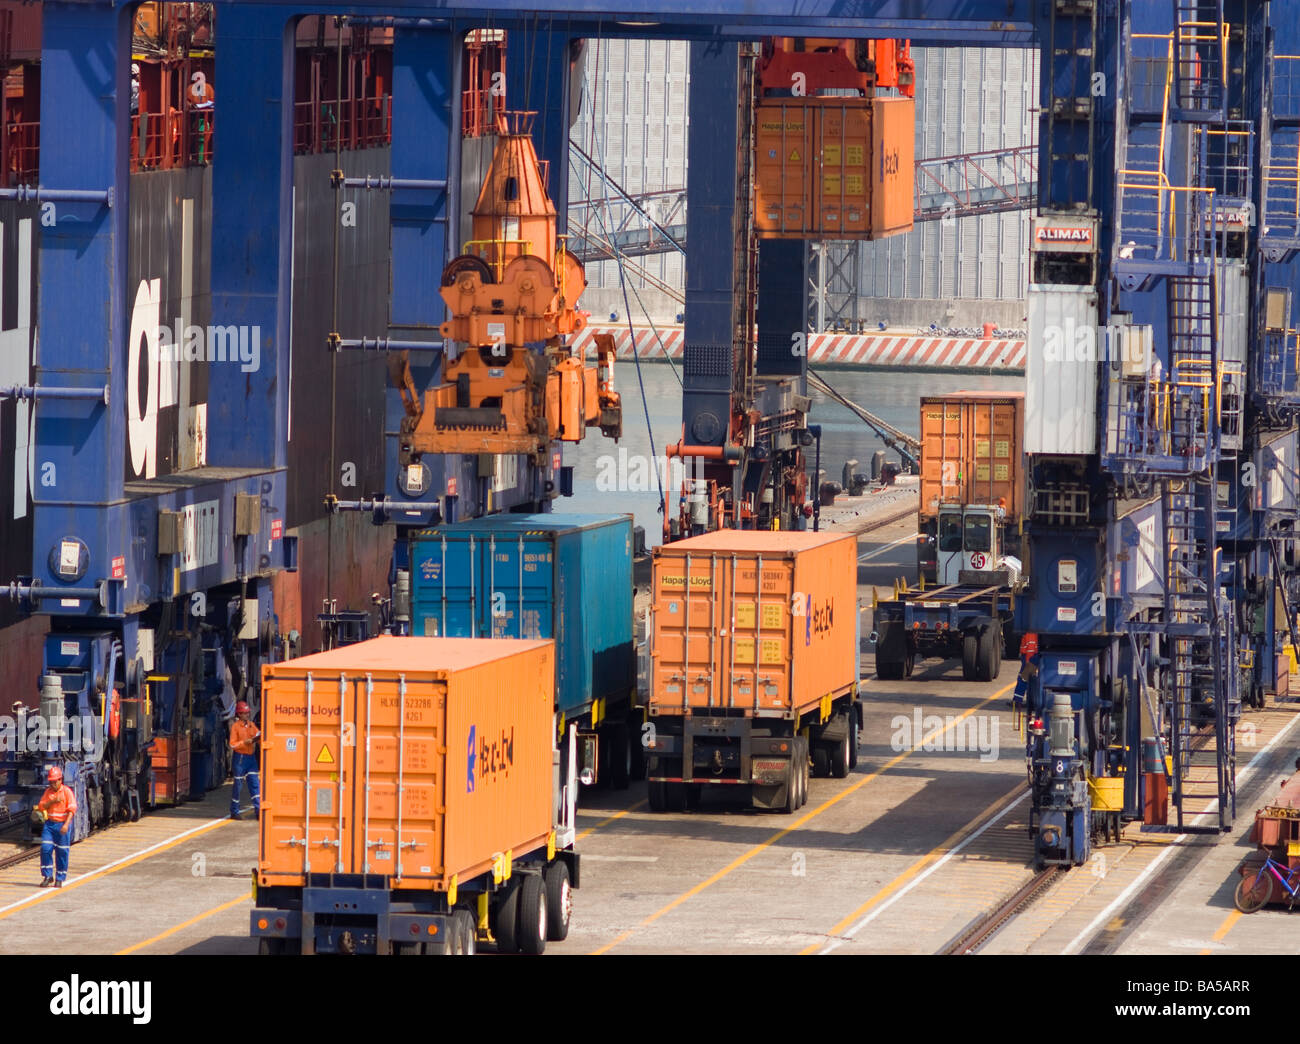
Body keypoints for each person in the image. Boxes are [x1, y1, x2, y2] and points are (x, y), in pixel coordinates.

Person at [35, 765, 76, 888]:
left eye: (54, 781)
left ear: (60, 780)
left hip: (62, 825)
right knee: (46, 848)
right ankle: (47, 876)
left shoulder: (67, 792)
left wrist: (66, 825)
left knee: (62, 852)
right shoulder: (48, 792)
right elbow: (41, 806)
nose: (52, 784)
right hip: (50, 825)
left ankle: (60, 877)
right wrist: (53, 801)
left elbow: (72, 809)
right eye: (51, 782)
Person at [229, 701, 260, 821]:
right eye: (244, 713)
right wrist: (244, 743)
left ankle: (258, 811)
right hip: (240, 759)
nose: (247, 715)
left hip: (251, 759)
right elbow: (232, 745)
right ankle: (234, 811)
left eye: (247, 713)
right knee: (238, 785)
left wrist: (260, 739)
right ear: (239, 714)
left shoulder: (251, 725)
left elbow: (258, 735)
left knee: (255, 784)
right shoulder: (235, 727)